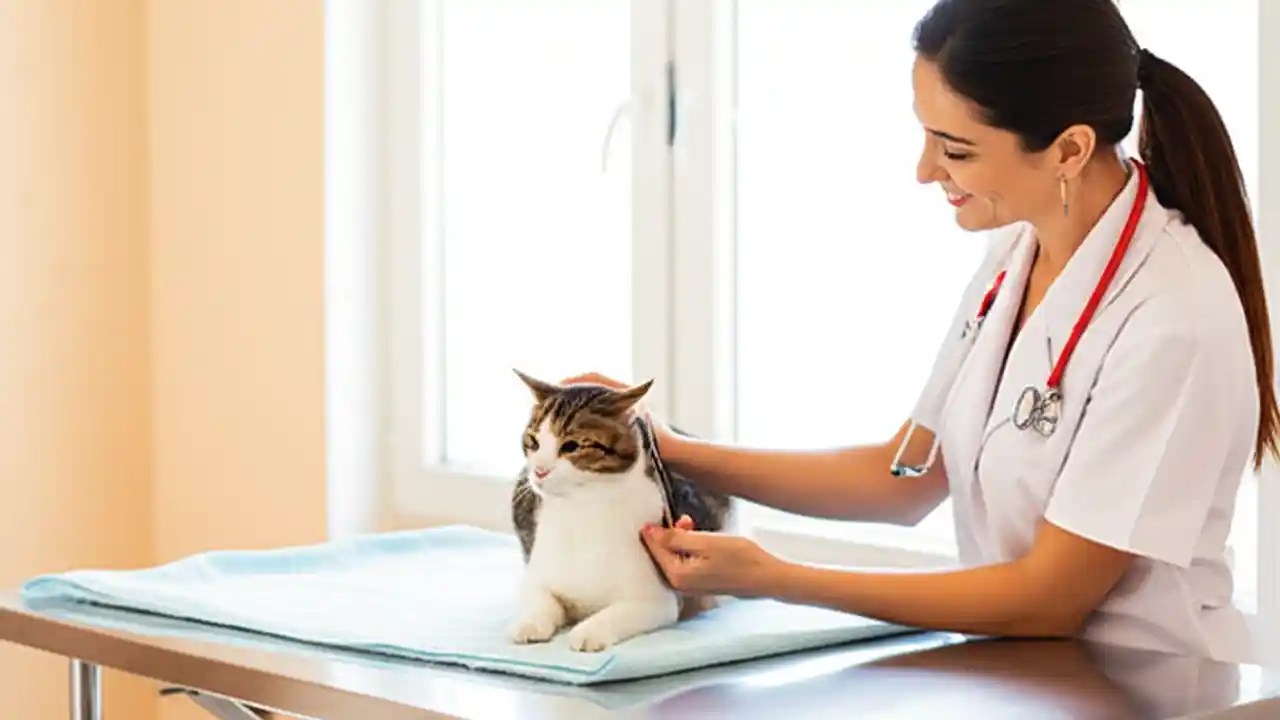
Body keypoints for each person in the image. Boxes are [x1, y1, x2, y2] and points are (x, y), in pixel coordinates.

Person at [563, 0, 1276, 664]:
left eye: (955, 149)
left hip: (1155, 686)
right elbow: (906, 475)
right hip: (1032, 678)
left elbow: (1051, 598)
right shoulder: (1016, 253)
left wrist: (778, 577)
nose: (924, 170)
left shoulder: (1172, 317)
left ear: (1069, 149)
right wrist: (668, 447)